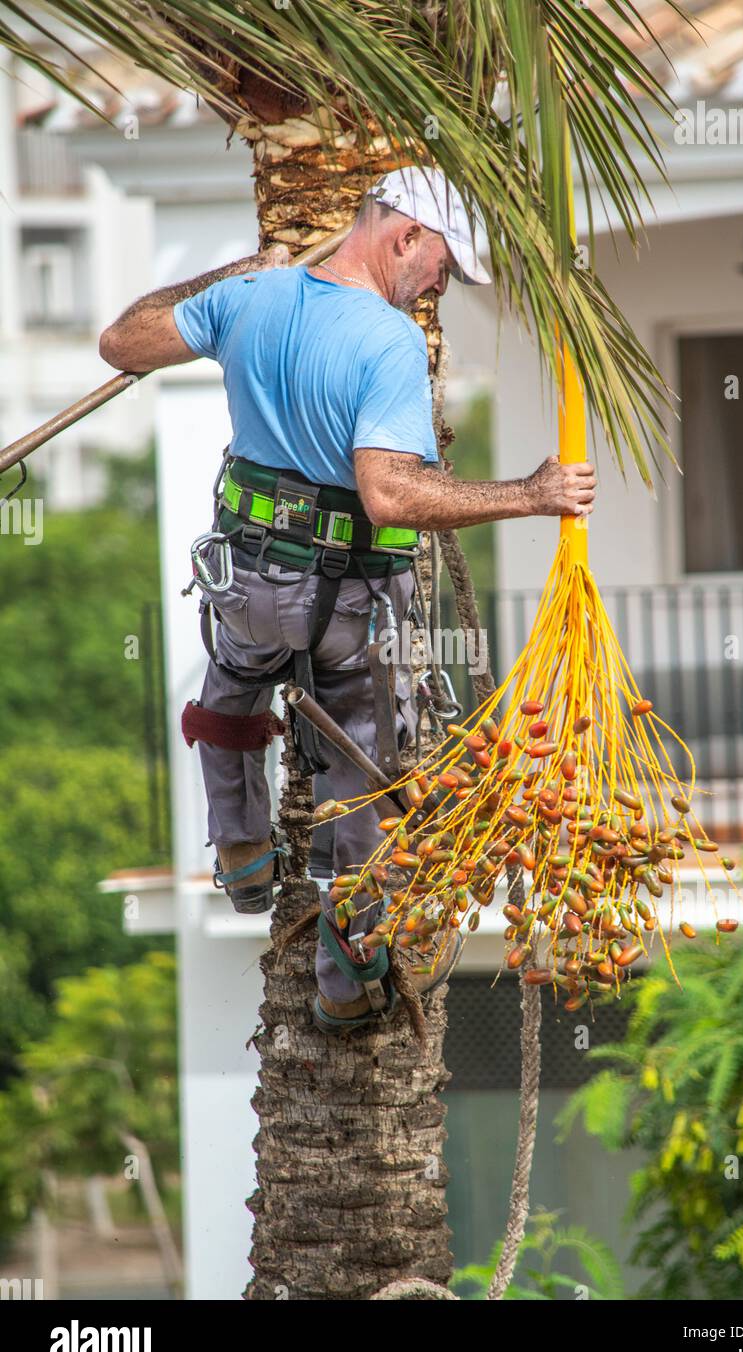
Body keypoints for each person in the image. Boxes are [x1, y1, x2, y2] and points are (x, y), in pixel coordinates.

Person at [99, 165, 597, 1033]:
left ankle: (244, 852)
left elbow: (123, 341)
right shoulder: (388, 341)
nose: (441, 287)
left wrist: (227, 274)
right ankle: (345, 970)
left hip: (246, 581)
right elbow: (393, 497)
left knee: (232, 687)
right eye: (442, 266)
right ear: (404, 237)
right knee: (365, 772)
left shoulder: (250, 300)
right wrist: (533, 491)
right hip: (346, 608)